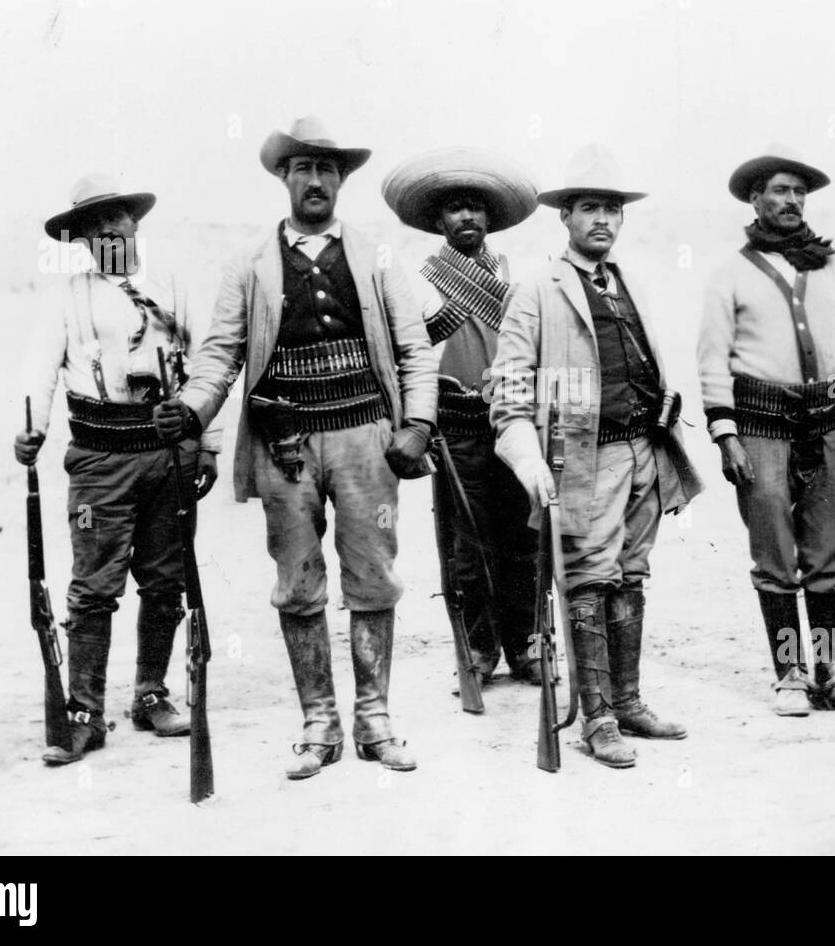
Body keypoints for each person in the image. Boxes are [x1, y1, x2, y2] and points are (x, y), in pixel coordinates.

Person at [155, 115, 438, 777]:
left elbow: (414, 350)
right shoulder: (250, 264)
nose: (315, 180)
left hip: (366, 439)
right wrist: (191, 410)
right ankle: (319, 725)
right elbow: (220, 354)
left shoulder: (377, 258)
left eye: (327, 168)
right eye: (303, 168)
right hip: (284, 448)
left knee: (372, 577)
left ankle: (375, 721)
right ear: (284, 178)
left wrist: (417, 425)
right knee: (297, 583)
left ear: (341, 180)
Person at [490, 144, 702, 769]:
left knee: (631, 574)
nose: (601, 220)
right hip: (583, 459)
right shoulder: (538, 288)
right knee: (588, 576)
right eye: (589, 208)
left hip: (645, 452)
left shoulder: (628, 281)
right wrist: (529, 462)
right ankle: (597, 717)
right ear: (565, 217)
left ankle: (629, 701)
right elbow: (507, 387)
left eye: (611, 208)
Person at [17, 174, 221, 765]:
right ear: (80, 238)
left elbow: (208, 364)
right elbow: (40, 364)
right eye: (92, 224)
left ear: (136, 223)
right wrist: (31, 425)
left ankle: (151, 693)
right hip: (100, 458)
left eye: (117, 218)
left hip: (169, 452)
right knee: (94, 588)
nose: (107, 229)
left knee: (165, 580)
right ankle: (83, 711)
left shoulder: (173, 285)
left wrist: (206, 444)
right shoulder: (66, 296)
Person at [697, 147, 835, 718]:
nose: (792, 201)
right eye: (780, 190)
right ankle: (791, 674)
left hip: (826, 424)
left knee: (830, 549)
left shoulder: (827, 266)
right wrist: (725, 433)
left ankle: (832, 669)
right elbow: (712, 358)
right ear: (755, 198)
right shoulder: (730, 272)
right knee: (774, 551)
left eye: (800, 192)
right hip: (760, 426)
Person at [382, 147, 542, 688]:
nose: (466, 217)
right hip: (454, 427)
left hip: (514, 422)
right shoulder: (418, 281)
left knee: (524, 538)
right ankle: (477, 648)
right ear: (438, 220)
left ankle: (527, 646)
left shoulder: (519, 275)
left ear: (490, 217)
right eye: (455, 208)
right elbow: (408, 357)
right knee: (466, 546)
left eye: (475, 207)